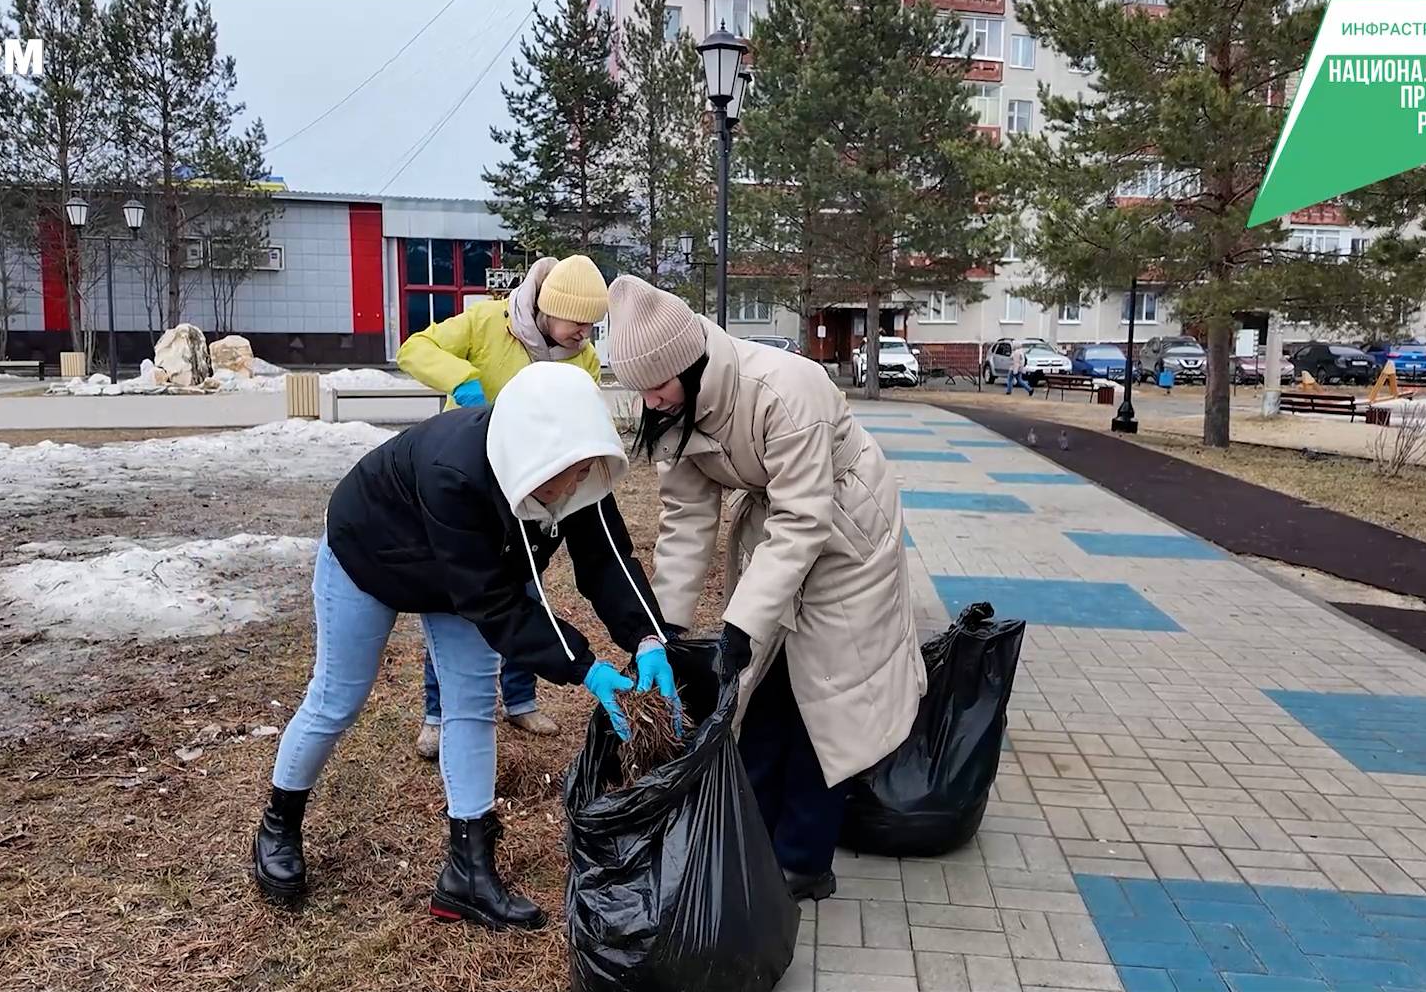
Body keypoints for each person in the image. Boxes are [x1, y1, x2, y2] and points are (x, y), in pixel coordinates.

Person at [251, 362, 678, 928]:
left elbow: (606, 558)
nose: (574, 487)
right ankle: (278, 824)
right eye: (566, 477)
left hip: (463, 572)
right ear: (529, 458)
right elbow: (494, 602)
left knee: (472, 703)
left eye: (582, 474)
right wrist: (585, 667)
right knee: (338, 699)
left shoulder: (575, 462)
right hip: (372, 554)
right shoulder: (453, 472)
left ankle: (467, 874)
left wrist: (648, 638)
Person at [601, 276, 925, 902]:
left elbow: (805, 519)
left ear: (691, 364)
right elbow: (686, 519)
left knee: (826, 694)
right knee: (763, 684)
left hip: (846, 529)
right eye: (640, 388)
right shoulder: (670, 407)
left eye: (658, 385)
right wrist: (663, 630)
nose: (650, 400)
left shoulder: (785, 389)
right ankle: (754, 832)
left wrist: (740, 624)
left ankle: (803, 859)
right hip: (781, 530)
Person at [395, 254, 611, 758]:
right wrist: (460, 376)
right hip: (468, 485)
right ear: (549, 307)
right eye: (577, 321)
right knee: (455, 602)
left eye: (592, 324)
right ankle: (437, 713)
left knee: (526, 593)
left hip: (532, 488)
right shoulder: (487, 321)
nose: (585, 334)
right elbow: (414, 348)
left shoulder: (582, 358)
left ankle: (520, 699)